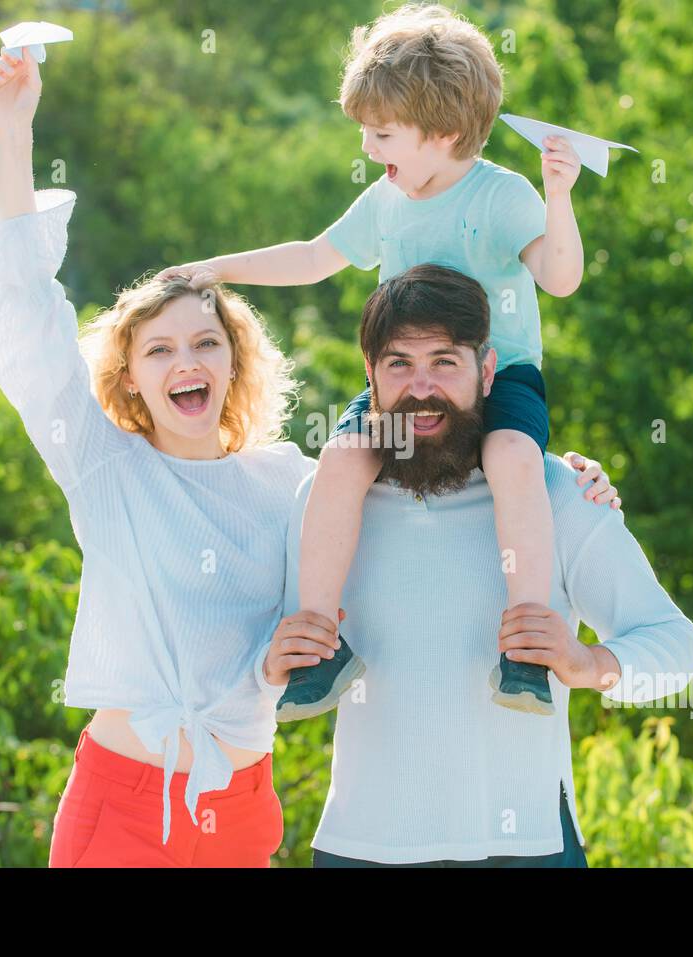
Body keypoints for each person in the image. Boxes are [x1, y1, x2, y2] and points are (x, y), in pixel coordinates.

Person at [0, 45, 622, 867]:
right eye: (158, 351)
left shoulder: (293, 482)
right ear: (126, 375)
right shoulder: (103, 465)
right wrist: (14, 132)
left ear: (236, 358)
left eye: (205, 341)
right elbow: (34, 312)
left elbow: (441, 499)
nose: (186, 362)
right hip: (124, 804)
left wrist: (564, 476)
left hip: (245, 806)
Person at [160, 3, 596, 721]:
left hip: (498, 379)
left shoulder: (502, 194)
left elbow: (561, 275)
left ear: (446, 133)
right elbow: (311, 257)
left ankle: (526, 644)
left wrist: (559, 197)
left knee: (516, 457)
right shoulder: (387, 199)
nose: (368, 145)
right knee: (339, 461)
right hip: (404, 394)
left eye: (383, 133)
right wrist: (211, 269)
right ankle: (321, 641)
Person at [256, 264, 693, 866]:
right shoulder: (324, 502)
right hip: (362, 847)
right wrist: (271, 661)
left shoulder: (558, 493)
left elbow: (674, 648)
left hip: (528, 844)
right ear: (370, 376)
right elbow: (247, 666)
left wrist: (589, 662)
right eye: (398, 364)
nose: (421, 387)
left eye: (444, 361)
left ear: (486, 371)